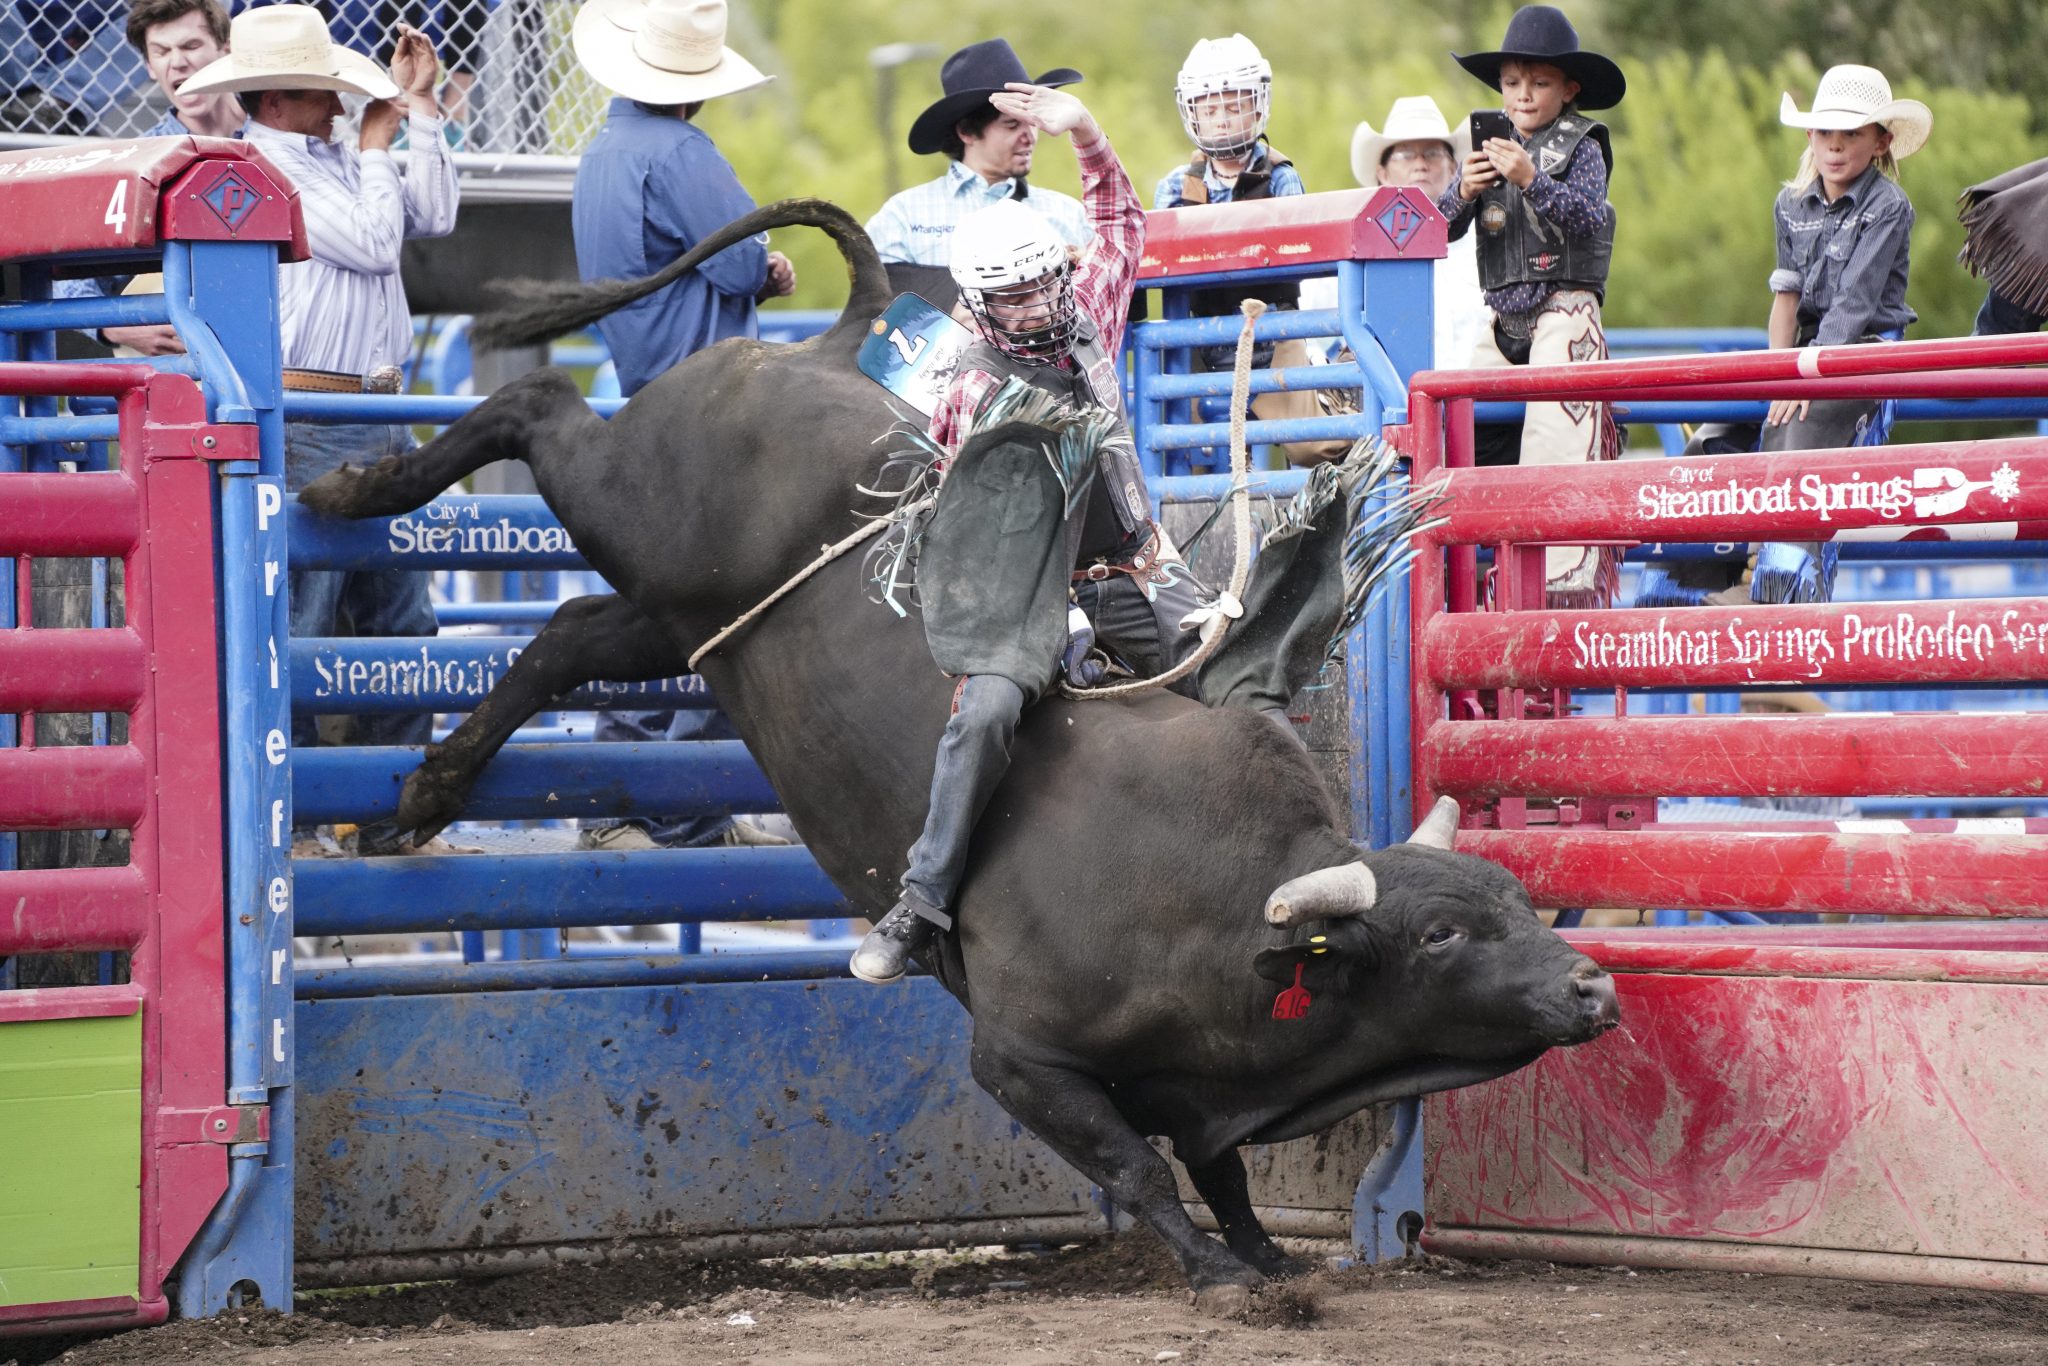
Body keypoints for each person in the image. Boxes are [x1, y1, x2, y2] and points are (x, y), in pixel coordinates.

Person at [851, 81, 1213, 986]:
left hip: (1128, 563)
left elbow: (1122, 223)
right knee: (986, 715)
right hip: (1022, 589)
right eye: (1018, 298)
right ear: (980, 303)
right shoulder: (964, 386)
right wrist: (1044, 619)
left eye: (1048, 283)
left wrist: (1086, 132)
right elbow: (967, 521)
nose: (1043, 305)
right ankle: (923, 900)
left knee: (1229, 652)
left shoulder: (1084, 311)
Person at [179, 5, 464, 852]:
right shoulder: (267, 171)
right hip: (318, 411)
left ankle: (385, 815)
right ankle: (297, 820)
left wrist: (420, 112)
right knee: (303, 625)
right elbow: (381, 243)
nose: (343, 102)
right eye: (325, 90)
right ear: (279, 99)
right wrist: (381, 145)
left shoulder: (329, 159)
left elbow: (435, 214)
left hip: (372, 409)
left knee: (402, 624)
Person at [568, 0, 797, 853]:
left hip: (642, 396)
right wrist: (768, 271)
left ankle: (621, 804)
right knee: (735, 606)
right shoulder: (681, 151)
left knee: (658, 603)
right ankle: (687, 811)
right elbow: (740, 257)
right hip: (705, 408)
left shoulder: (601, 154)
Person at [1645, 65, 1928, 610]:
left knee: (1798, 425)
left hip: (1865, 348)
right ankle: (1687, 580)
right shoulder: (1790, 205)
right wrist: (1778, 372)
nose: (1837, 147)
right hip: (1802, 348)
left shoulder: (1887, 207)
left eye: (1852, 135)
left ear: (1881, 141)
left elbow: (1854, 305)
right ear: (1810, 137)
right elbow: (1786, 297)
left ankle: (1784, 582)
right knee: (1717, 428)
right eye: (1826, 133)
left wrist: (1802, 377)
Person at [1436, 5, 1625, 607]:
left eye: (1539, 82)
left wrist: (1530, 181)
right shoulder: (1490, 149)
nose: (1523, 95)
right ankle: (1465, 577)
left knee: (1557, 438)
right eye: (1513, 82)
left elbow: (1591, 219)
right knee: (1461, 436)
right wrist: (1459, 192)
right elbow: (1436, 233)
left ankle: (1560, 586)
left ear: (1568, 89)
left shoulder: (1585, 145)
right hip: (1503, 322)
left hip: (1563, 313)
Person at [52, 0, 245, 359]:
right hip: (192, 374)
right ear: (149, 67)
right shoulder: (139, 166)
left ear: (225, 50)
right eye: (161, 51)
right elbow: (70, 281)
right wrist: (113, 324)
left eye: (190, 46)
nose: (178, 61)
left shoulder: (273, 139)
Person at [864, 39, 1092, 268]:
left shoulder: (1069, 214)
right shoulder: (903, 217)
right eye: (1012, 125)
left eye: (1033, 122)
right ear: (966, 132)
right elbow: (877, 301)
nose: (1030, 136)